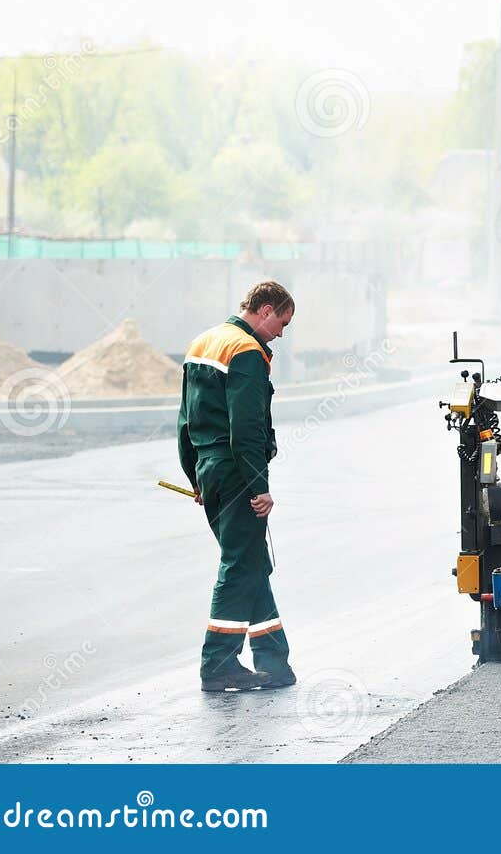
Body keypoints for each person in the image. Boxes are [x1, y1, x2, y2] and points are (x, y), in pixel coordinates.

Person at [178, 281, 296, 693]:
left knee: (251, 563)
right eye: (281, 322)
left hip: (212, 472)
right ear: (265, 310)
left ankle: (273, 661)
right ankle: (218, 664)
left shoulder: (204, 343)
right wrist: (258, 486)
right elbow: (245, 429)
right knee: (239, 566)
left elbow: (185, 422)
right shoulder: (245, 351)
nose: (281, 333)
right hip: (235, 473)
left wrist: (195, 478)